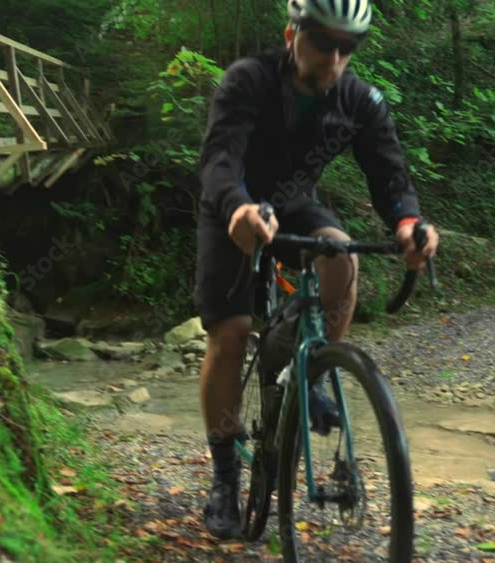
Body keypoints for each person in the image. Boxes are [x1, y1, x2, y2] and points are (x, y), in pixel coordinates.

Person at [195, 0, 440, 539]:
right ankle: (223, 475)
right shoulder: (248, 80)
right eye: (322, 42)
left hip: (295, 204)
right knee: (230, 333)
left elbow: (389, 171)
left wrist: (407, 224)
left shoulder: (360, 100)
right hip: (232, 206)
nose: (334, 57)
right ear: (291, 34)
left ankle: (314, 367)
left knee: (341, 254)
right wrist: (237, 207)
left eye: (346, 47)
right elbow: (219, 158)